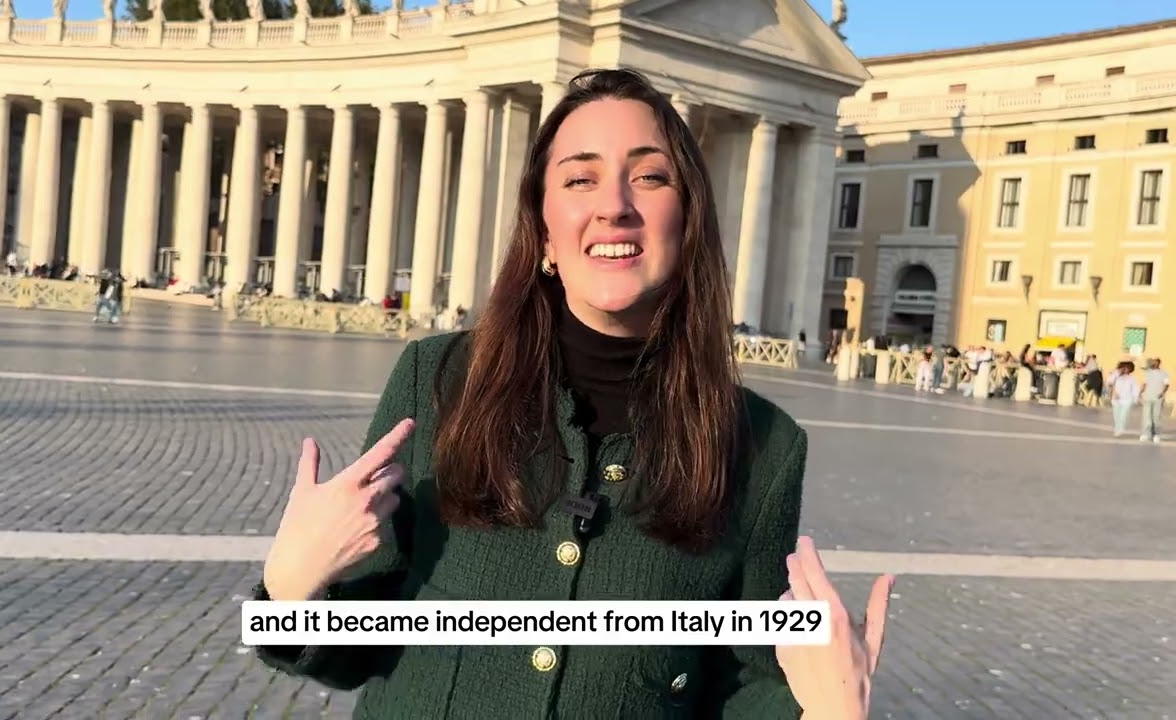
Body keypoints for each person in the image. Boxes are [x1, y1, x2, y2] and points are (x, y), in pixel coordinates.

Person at [252, 69, 894, 719]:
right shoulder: (437, 377)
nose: (614, 203)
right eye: (580, 178)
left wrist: (822, 712)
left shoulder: (766, 447)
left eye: (649, 176)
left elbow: (740, 682)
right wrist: (288, 590)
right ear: (545, 231)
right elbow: (358, 647)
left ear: (688, 220)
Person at [1139, 358, 1169, 442]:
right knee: (1146, 416)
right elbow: (1144, 384)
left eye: (1155, 363)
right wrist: (1140, 392)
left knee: (1156, 417)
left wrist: (1162, 393)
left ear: (1159, 363)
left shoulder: (1163, 374)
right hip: (1147, 397)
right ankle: (1145, 433)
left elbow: (1166, 384)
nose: (1153, 364)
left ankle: (1156, 434)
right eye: (1152, 363)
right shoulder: (1148, 373)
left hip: (1158, 398)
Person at [1111, 361, 1140, 438]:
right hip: (1116, 399)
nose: (1125, 369)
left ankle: (1121, 429)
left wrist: (1135, 398)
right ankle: (1117, 429)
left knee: (1124, 415)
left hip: (1127, 400)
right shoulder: (1116, 376)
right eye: (1123, 368)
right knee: (1116, 416)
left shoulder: (1132, 379)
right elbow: (1109, 381)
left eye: (1127, 368)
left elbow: (1135, 389)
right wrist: (1116, 373)